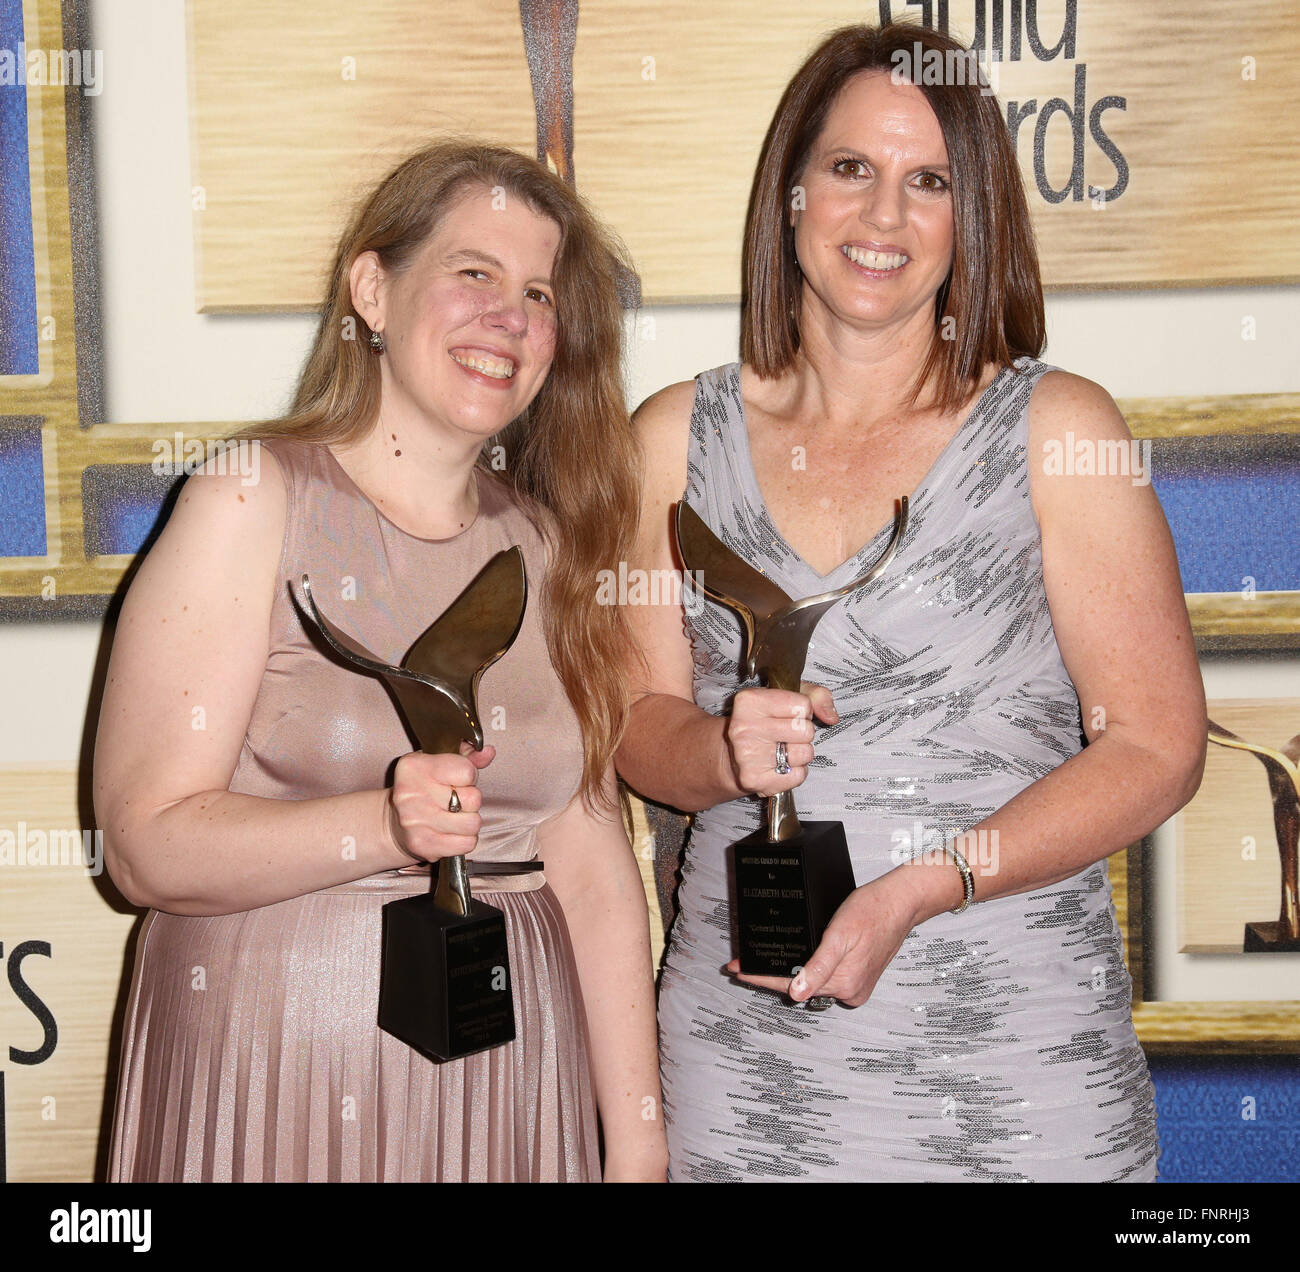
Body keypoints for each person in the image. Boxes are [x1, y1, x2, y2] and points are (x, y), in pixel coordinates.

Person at [616, 22, 1206, 1182]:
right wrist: (723, 753)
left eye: (927, 180)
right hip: (748, 1069)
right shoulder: (672, 440)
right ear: (790, 192)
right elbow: (638, 730)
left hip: (1019, 1067)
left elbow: (1155, 746)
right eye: (850, 169)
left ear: (969, 214)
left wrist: (925, 885)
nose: (882, 217)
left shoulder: (1057, 430)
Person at [96, 141, 666, 1182]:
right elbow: (144, 848)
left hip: (512, 1080)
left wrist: (637, 1148)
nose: (511, 318)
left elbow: (589, 861)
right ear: (372, 288)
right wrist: (380, 824)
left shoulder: (542, 545)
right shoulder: (253, 498)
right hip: (277, 1073)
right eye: (473, 274)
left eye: (537, 293)